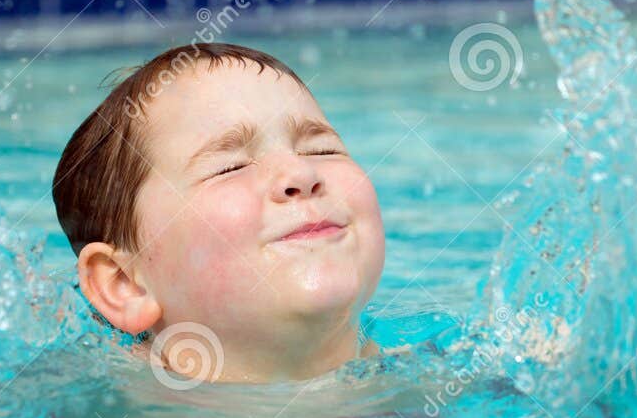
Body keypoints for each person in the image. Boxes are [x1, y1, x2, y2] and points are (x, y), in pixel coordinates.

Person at [52, 41, 386, 384]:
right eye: (230, 167)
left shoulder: (434, 380)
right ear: (124, 285)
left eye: (321, 150)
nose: (302, 174)